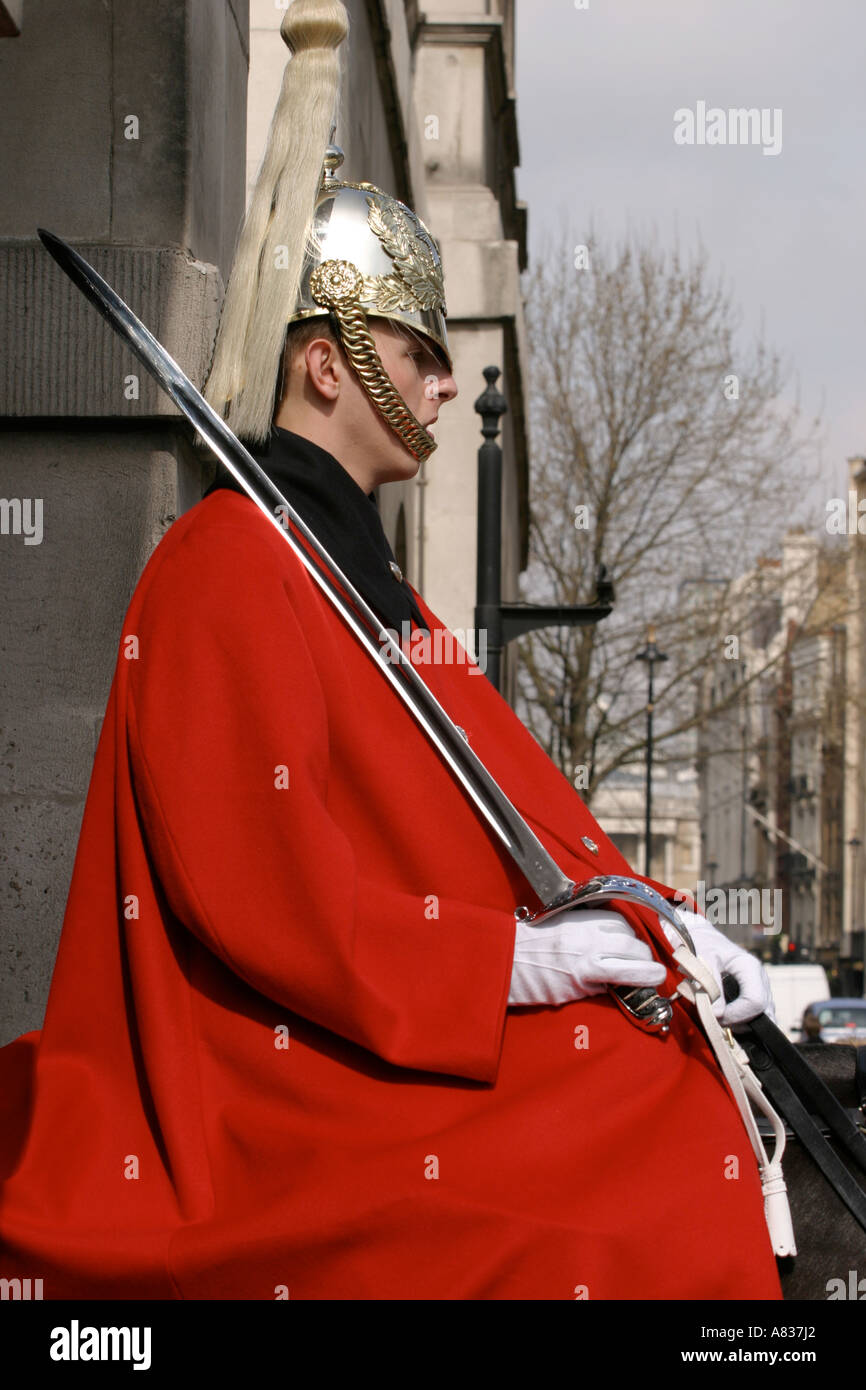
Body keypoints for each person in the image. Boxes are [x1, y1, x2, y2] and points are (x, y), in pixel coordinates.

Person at [0, 0, 781, 1300]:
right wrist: (519, 963)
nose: (435, 386)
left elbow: (524, 818)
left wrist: (656, 924)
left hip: (390, 1008)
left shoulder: (377, 592)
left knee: (665, 1076)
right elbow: (262, 895)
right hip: (273, 1062)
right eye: (416, 357)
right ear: (324, 363)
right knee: (620, 1165)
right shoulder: (224, 560)